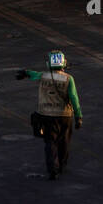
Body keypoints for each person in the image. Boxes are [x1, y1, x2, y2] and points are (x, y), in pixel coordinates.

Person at [16, 51, 81, 180]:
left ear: (49, 63)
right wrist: (78, 116)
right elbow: (74, 98)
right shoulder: (69, 78)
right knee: (64, 142)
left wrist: (25, 72)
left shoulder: (44, 76)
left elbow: (34, 75)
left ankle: (53, 169)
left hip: (46, 115)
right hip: (65, 116)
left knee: (50, 142)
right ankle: (62, 165)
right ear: (64, 63)